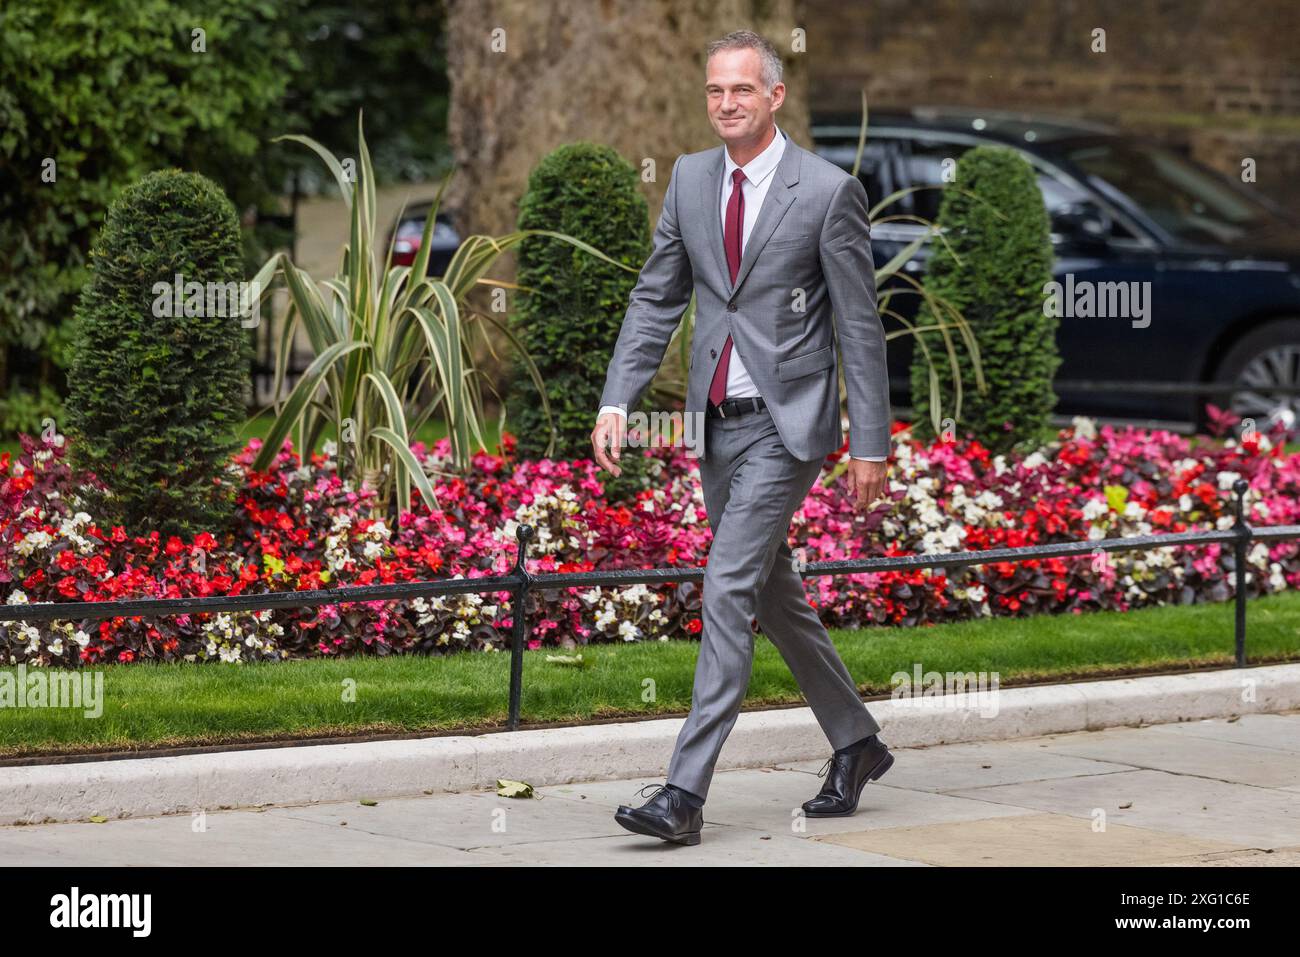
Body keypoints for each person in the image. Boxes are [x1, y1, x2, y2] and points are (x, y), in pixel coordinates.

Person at [590, 29, 894, 846]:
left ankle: (683, 793)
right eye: (715, 92)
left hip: (787, 429)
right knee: (768, 590)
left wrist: (871, 443)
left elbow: (859, 329)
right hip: (716, 429)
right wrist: (618, 397)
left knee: (725, 585)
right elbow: (657, 298)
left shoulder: (827, 192)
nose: (727, 104)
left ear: (775, 96)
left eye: (742, 91)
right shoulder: (690, 180)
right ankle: (858, 742)